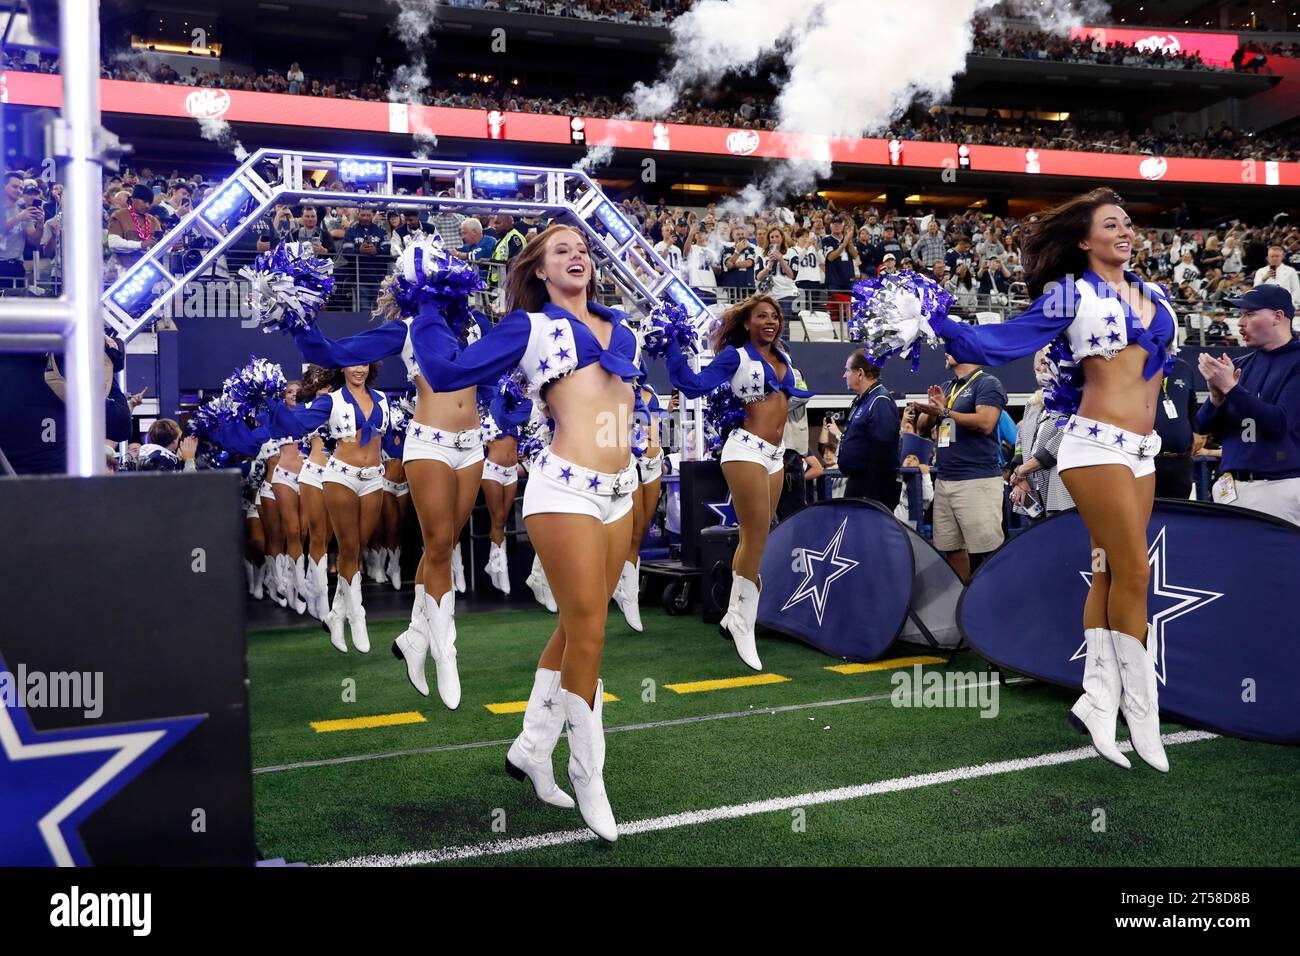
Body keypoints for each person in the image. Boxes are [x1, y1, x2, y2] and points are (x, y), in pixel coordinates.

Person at [917, 188, 1180, 774]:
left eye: (1129, 223)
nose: (1125, 230)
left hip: (1143, 449)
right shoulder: (1071, 294)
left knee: (1112, 568)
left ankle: (1096, 698)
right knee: (1136, 570)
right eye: (1112, 224)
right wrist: (938, 324)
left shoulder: (1155, 294)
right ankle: (1143, 713)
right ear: (1085, 240)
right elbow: (1000, 342)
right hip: (1093, 446)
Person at [407, 223, 647, 842]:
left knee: (575, 625)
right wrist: (428, 308)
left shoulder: (621, 325)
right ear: (538, 269)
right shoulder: (528, 327)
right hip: (562, 490)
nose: (577, 256)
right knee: (590, 630)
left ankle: (531, 747)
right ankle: (588, 771)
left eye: (584, 249)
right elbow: (448, 369)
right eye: (560, 250)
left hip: (620, 493)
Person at [660, 294, 814, 671]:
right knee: (756, 534)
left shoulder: (785, 359)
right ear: (747, 323)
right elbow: (695, 385)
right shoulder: (737, 356)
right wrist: (673, 347)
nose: (771, 321)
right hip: (744, 449)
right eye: (762, 315)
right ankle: (742, 620)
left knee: (758, 537)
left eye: (775, 316)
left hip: (776, 455)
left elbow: (791, 401)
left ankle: (735, 613)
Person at [1194, 285, 1300, 524]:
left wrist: (1232, 389)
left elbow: (1279, 423)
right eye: (1240, 314)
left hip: (1281, 486)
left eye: (1249, 314)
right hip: (1231, 486)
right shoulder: (1241, 363)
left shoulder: (1296, 361)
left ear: (1278, 316)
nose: (1240, 322)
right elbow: (1202, 426)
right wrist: (1216, 398)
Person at [911, 351, 1008, 582]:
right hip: (945, 481)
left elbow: (986, 422)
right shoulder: (947, 386)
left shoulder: (987, 383)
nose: (945, 352)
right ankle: (962, 603)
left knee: (985, 551)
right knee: (952, 547)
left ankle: (990, 603)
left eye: (952, 348)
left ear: (967, 351)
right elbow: (923, 428)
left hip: (977, 480)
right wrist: (933, 411)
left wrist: (944, 411)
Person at [837, 350, 900, 507]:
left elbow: (883, 450)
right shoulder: (862, 400)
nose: (844, 375)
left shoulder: (880, 401)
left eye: (847, 370)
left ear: (860, 373)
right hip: (858, 483)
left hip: (871, 489)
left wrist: (872, 495)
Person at [1152, 355, 1200, 501]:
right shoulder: (1135, 366)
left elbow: (1192, 405)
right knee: (1147, 517)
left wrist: (1197, 431)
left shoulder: (1184, 367)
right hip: (1147, 461)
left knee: (1179, 516)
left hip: (1180, 461)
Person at [1252, 245, 1300, 316]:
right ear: (1268, 258)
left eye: (1277, 256)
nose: (1274, 258)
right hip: (1266, 306)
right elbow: (1255, 290)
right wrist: (1264, 279)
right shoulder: (1261, 271)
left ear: (1282, 257)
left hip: (1285, 306)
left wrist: (1291, 304)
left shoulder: (1290, 271)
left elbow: (1296, 289)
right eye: (1272, 256)